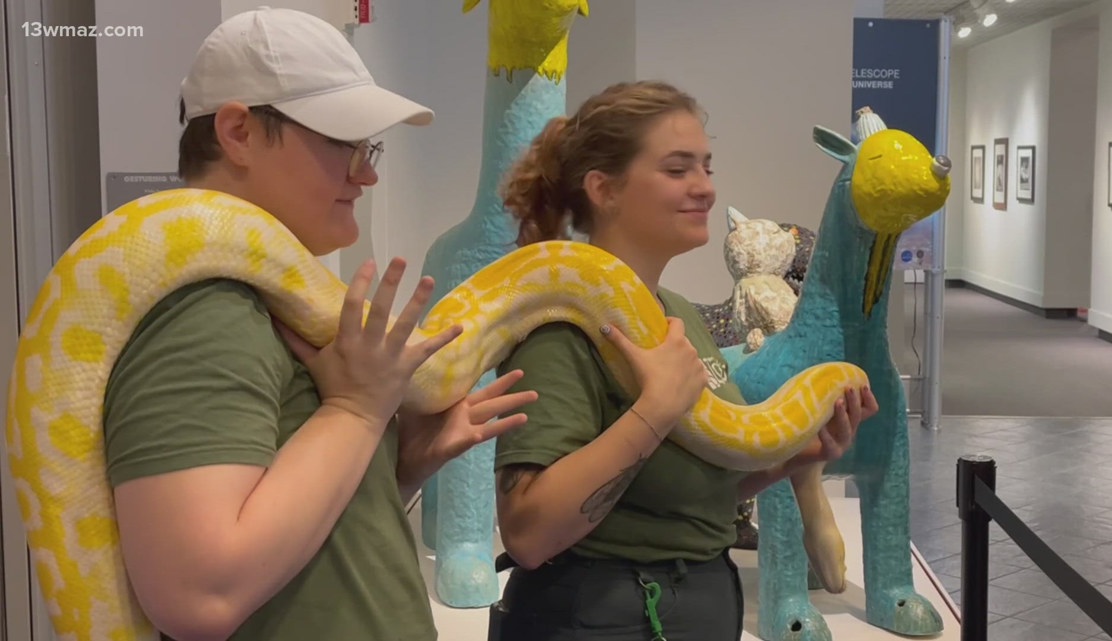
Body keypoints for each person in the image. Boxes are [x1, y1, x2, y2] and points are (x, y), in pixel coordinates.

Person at [102, 7, 537, 641]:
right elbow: (199, 596)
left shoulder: (276, 302)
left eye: (371, 147)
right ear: (239, 132)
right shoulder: (203, 312)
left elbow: (285, 536)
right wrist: (358, 412)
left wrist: (396, 466)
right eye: (345, 144)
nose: (368, 173)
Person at [490, 80, 879, 640]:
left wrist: (796, 456)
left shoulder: (674, 314)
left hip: (695, 602)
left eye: (707, 167)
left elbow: (687, 491)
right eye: (678, 170)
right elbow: (528, 532)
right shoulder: (564, 325)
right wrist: (654, 412)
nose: (705, 189)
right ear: (604, 188)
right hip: (599, 616)